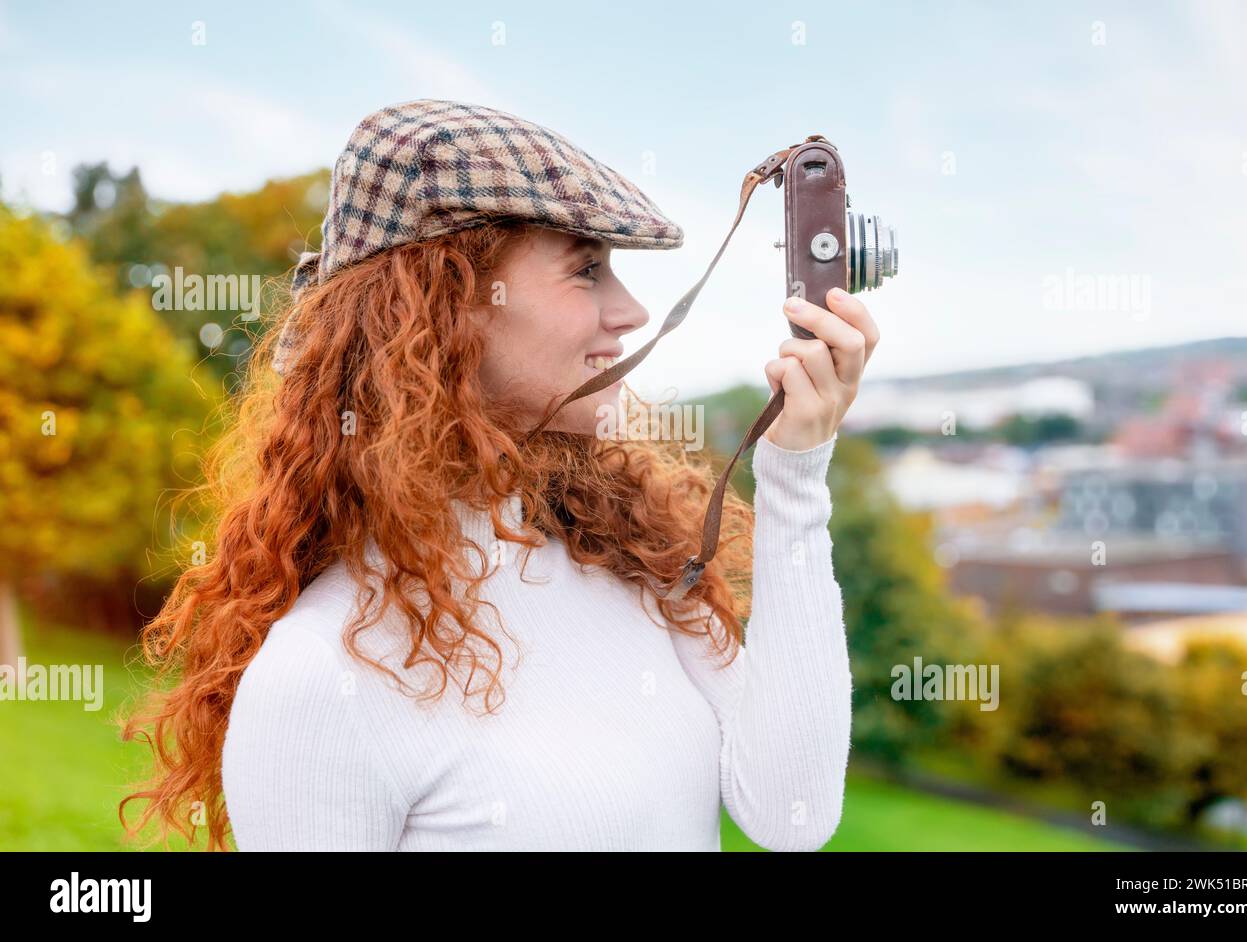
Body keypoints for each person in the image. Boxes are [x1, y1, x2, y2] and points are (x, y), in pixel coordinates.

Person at [118, 99, 880, 851]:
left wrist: (795, 471)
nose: (634, 311)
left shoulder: (631, 557)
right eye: (587, 271)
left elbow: (795, 812)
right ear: (448, 306)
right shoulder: (320, 677)